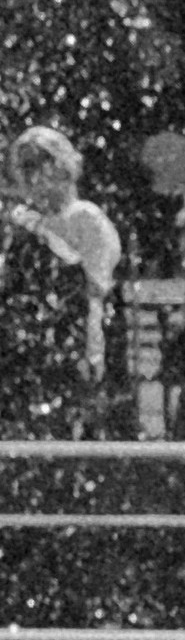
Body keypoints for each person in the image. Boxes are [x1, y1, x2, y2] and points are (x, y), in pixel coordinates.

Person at [0, 125, 120, 430]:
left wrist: (93, 353)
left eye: (40, 162)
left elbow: (95, 290)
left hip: (74, 344)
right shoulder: (28, 224)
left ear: (63, 163)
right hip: (34, 349)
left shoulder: (85, 217)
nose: (32, 175)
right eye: (24, 166)